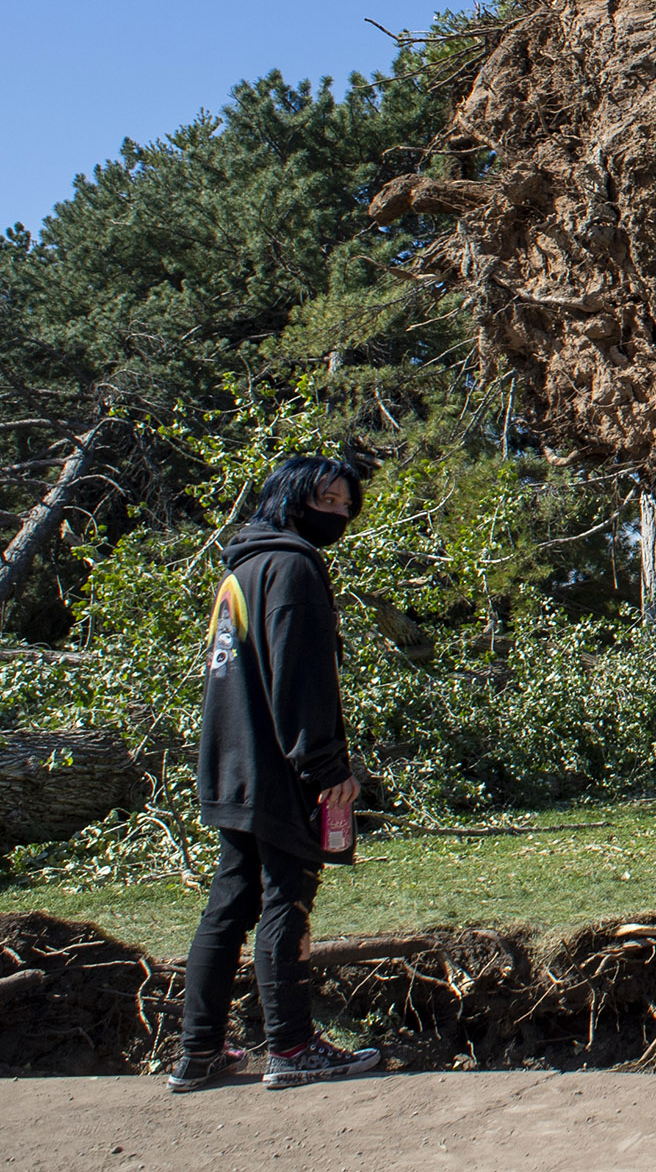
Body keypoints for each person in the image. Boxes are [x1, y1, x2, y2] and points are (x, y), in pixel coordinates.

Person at [167, 455, 384, 1092]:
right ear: (291, 497)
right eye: (328, 499)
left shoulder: (241, 569)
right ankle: (290, 1048)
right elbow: (298, 675)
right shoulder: (292, 566)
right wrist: (325, 767)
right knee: (287, 895)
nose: (340, 513)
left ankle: (198, 1052)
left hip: (230, 763)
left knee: (229, 904)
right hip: (279, 768)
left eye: (347, 505)